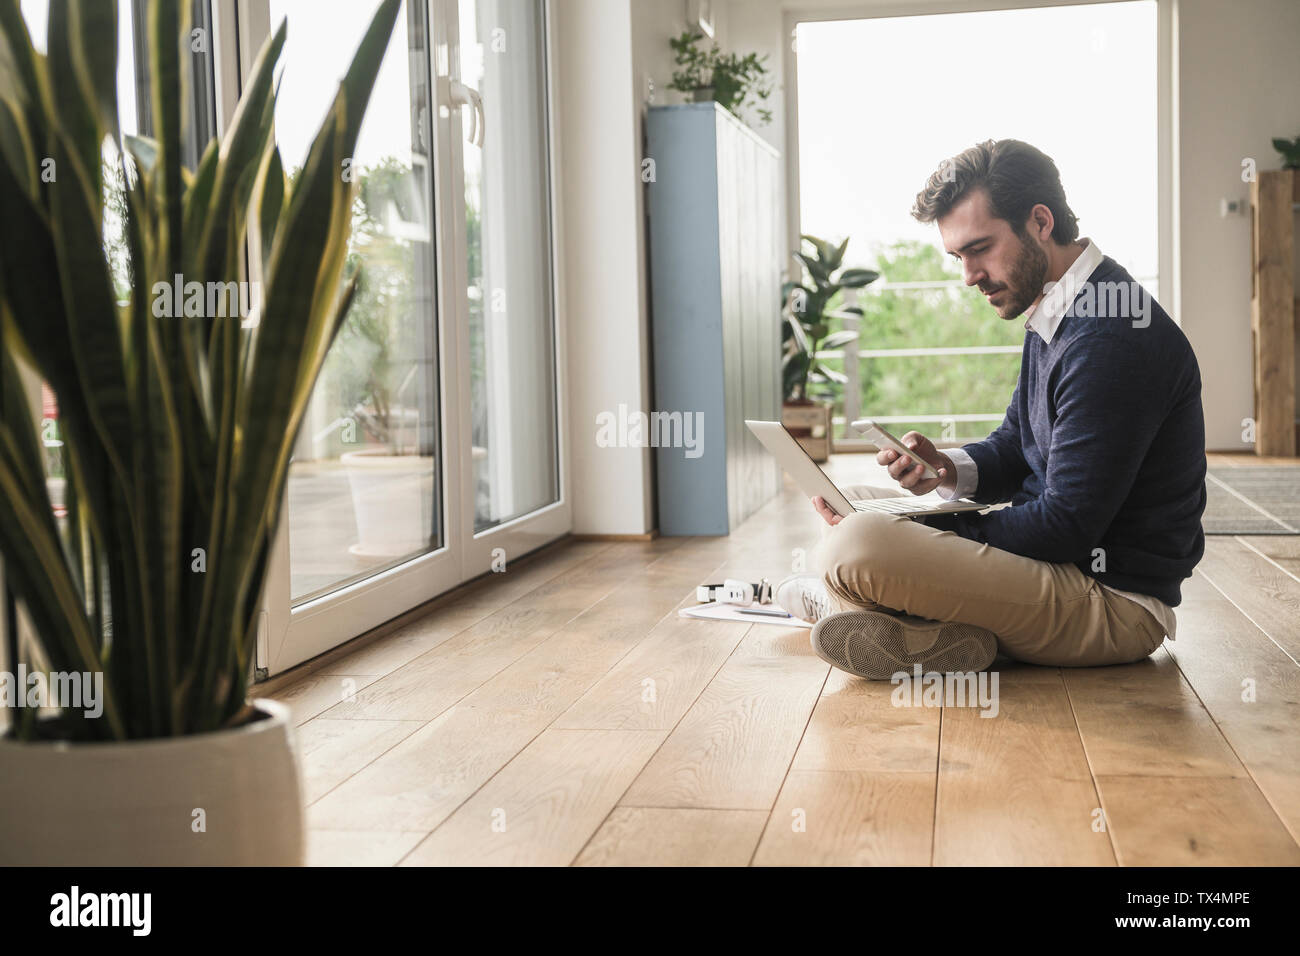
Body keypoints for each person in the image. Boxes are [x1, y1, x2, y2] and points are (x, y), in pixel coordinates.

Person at [775, 139, 1206, 680]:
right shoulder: (1060, 304)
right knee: (855, 502)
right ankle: (928, 632)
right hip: (1055, 572)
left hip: (1110, 603)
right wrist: (945, 472)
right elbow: (1017, 445)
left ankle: (856, 602)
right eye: (958, 257)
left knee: (859, 541)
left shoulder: (1111, 338)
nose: (969, 275)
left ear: (1040, 221)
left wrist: (928, 534)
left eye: (979, 248)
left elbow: (1067, 525)